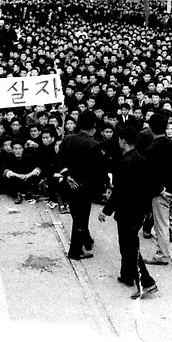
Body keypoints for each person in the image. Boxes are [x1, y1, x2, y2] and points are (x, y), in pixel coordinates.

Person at [98, 124, 158, 299]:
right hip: (139, 210)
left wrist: (106, 211)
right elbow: (149, 187)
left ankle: (146, 282)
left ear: (122, 141)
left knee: (130, 246)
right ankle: (127, 275)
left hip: (126, 210)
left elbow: (119, 191)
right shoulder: (143, 160)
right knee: (127, 243)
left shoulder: (124, 163)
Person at [58, 111, 108, 260]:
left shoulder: (67, 139)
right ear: (93, 126)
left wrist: (67, 176)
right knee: (81, 218)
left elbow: (59, 159)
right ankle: (75, 250)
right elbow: (98, 170)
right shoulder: (94, 145)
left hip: (69, 185)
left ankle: (86, 240)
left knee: (76, 215)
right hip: (85, 187)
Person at [145, 112, 172, 265]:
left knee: (161, 223)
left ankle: (163, 255)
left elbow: (150, 174)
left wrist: (160, 190)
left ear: (151, 128)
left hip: (161, 192)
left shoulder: (150, 149)